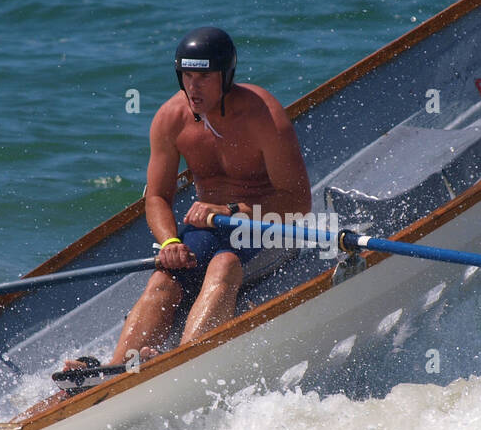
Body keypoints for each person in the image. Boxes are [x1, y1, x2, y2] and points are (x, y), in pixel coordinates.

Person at [63, 27, 311, 372]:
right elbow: (157, 199)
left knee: (224, 264)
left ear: (226, 76)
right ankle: (115, 371)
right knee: (164, 277)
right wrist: (170, 241)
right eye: (187, 76)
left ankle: (181, 366)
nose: (193, 87)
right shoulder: (170, 119)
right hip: (206, 231)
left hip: (264, 225)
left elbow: (298, 201)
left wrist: (232, 210)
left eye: (204, 77)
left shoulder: (262, 114)